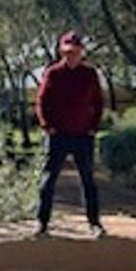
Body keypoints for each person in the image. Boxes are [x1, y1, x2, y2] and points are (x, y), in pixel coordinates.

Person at [35, 31, 106, 238]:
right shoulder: (53, 73)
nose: (71, 56)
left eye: (75, 52)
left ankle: (94, 223)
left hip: (83, 135)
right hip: (58, 135)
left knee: (88, 180)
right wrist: (46, 125)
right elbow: (42, 101)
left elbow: (98, 102)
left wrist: (94, 126)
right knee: (48, 180)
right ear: (61, 52)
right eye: (67, 52)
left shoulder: (89, 74)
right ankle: (42, 222)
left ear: (81, 52)